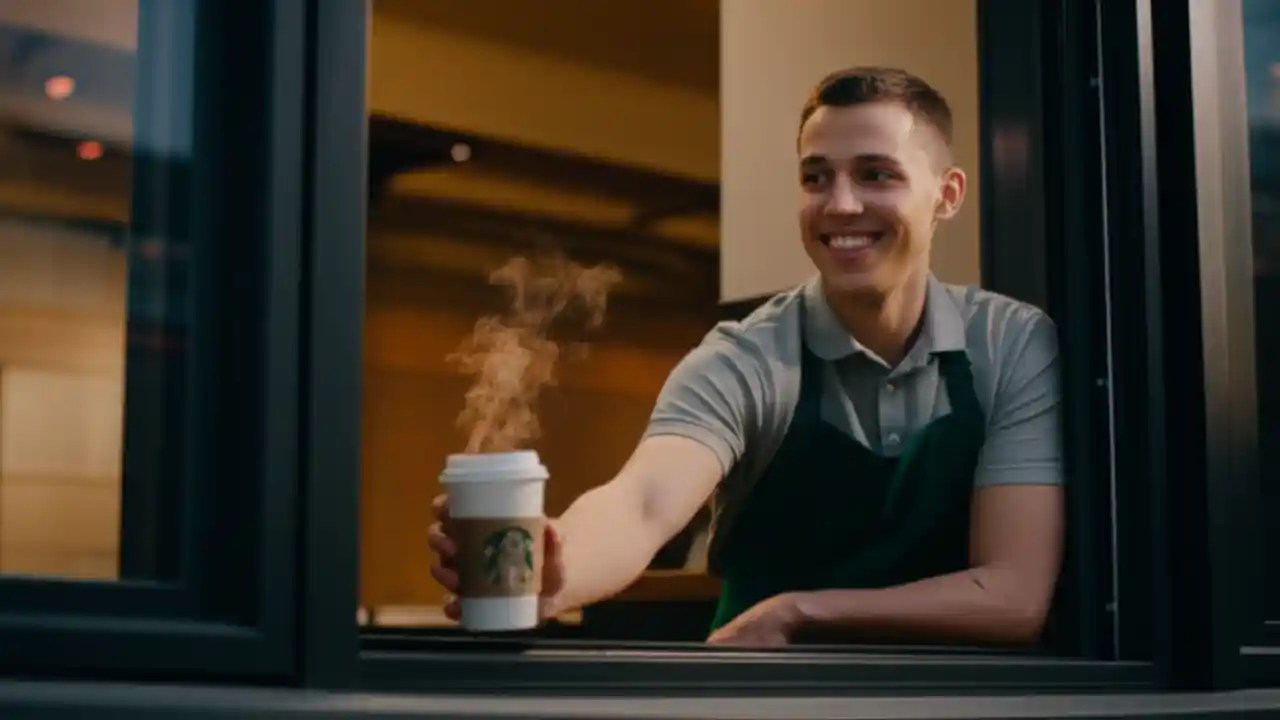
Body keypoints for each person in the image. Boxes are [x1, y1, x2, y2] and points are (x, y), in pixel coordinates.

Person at [429, 66, 1064, 647]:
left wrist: (797, 611)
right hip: (758, 699)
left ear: (947, 195)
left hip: (953, 700)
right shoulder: (746, 357)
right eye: (816, 177)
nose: (840, 204)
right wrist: (551, 571)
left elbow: (1013, 596)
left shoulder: (1009, 343)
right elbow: (641, 503)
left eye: (876, 174)